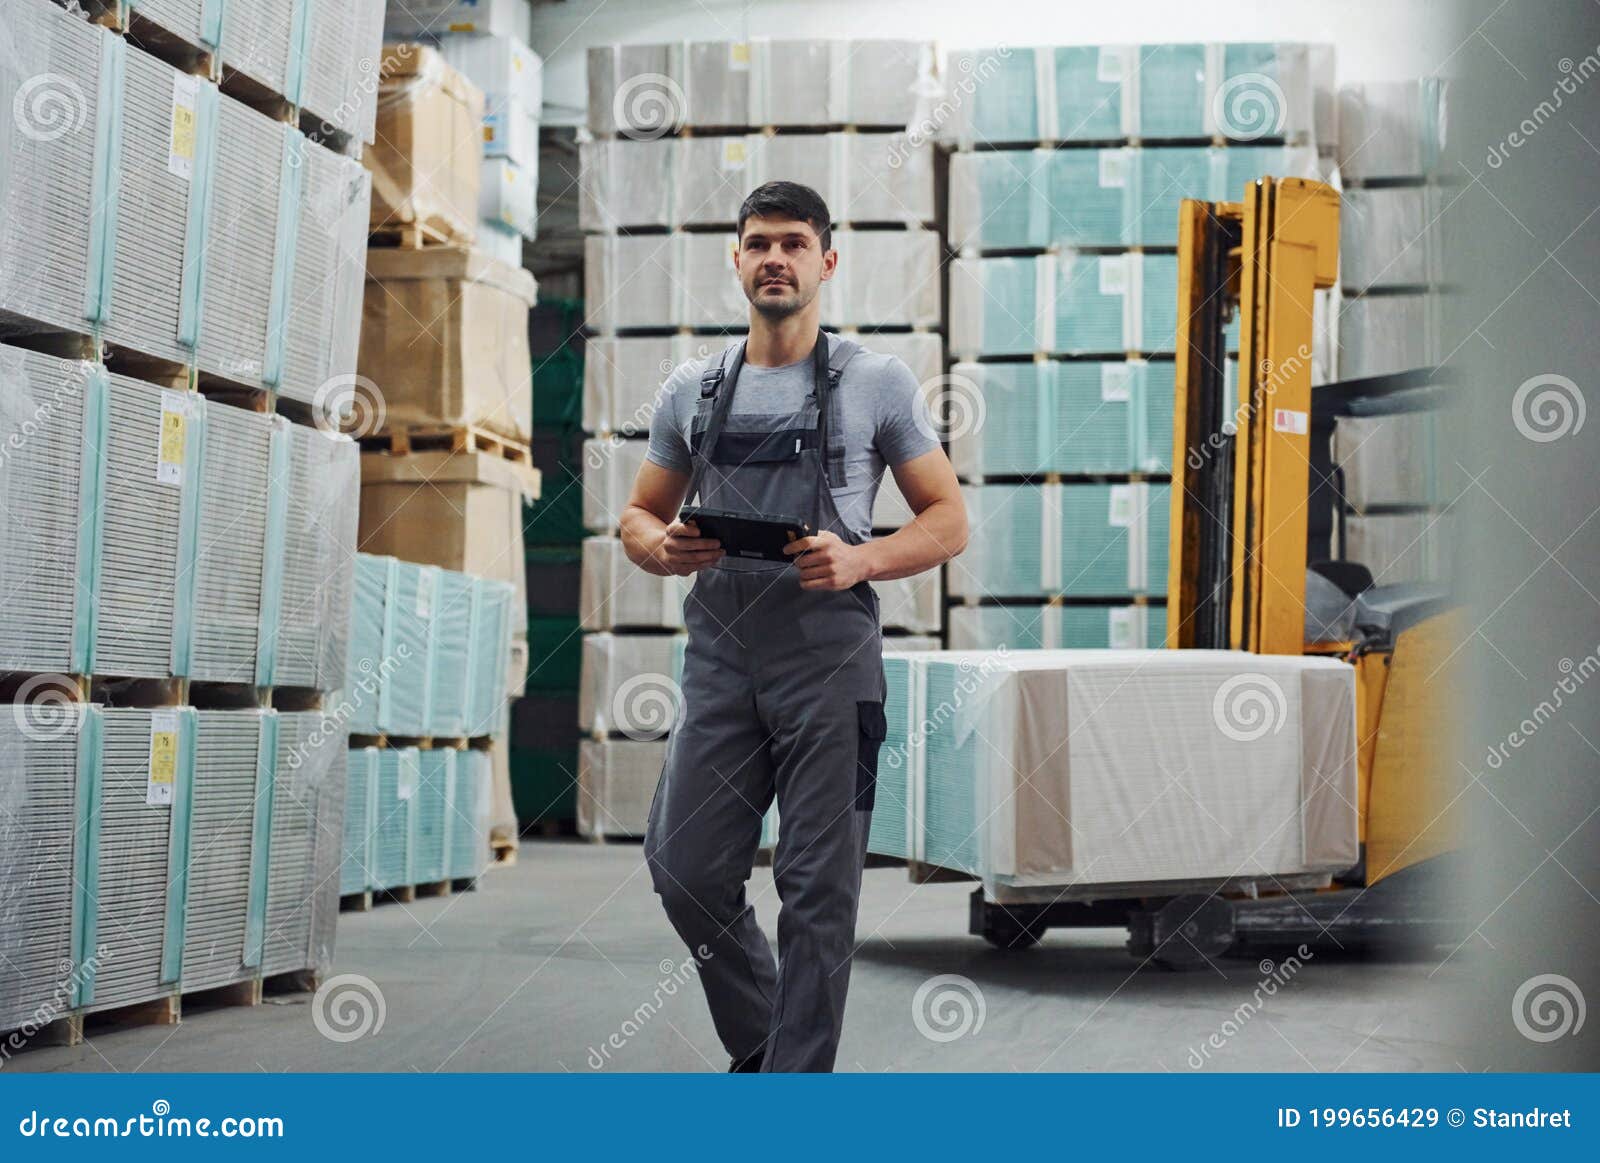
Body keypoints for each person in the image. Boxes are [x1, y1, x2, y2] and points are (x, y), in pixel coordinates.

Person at [620, 181, 968, 1072]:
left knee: (817, 889)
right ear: (735, 259)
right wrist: (658, 549)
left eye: (795, 243)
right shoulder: (693, 389)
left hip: (827, 658)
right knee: (686, 866)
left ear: (826, 261)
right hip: (721, 659)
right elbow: (636, 514)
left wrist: (862, 559)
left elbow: (946, 518)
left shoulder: (876, 383)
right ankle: (771, 1045)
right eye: (760, 242)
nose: (776, 257)